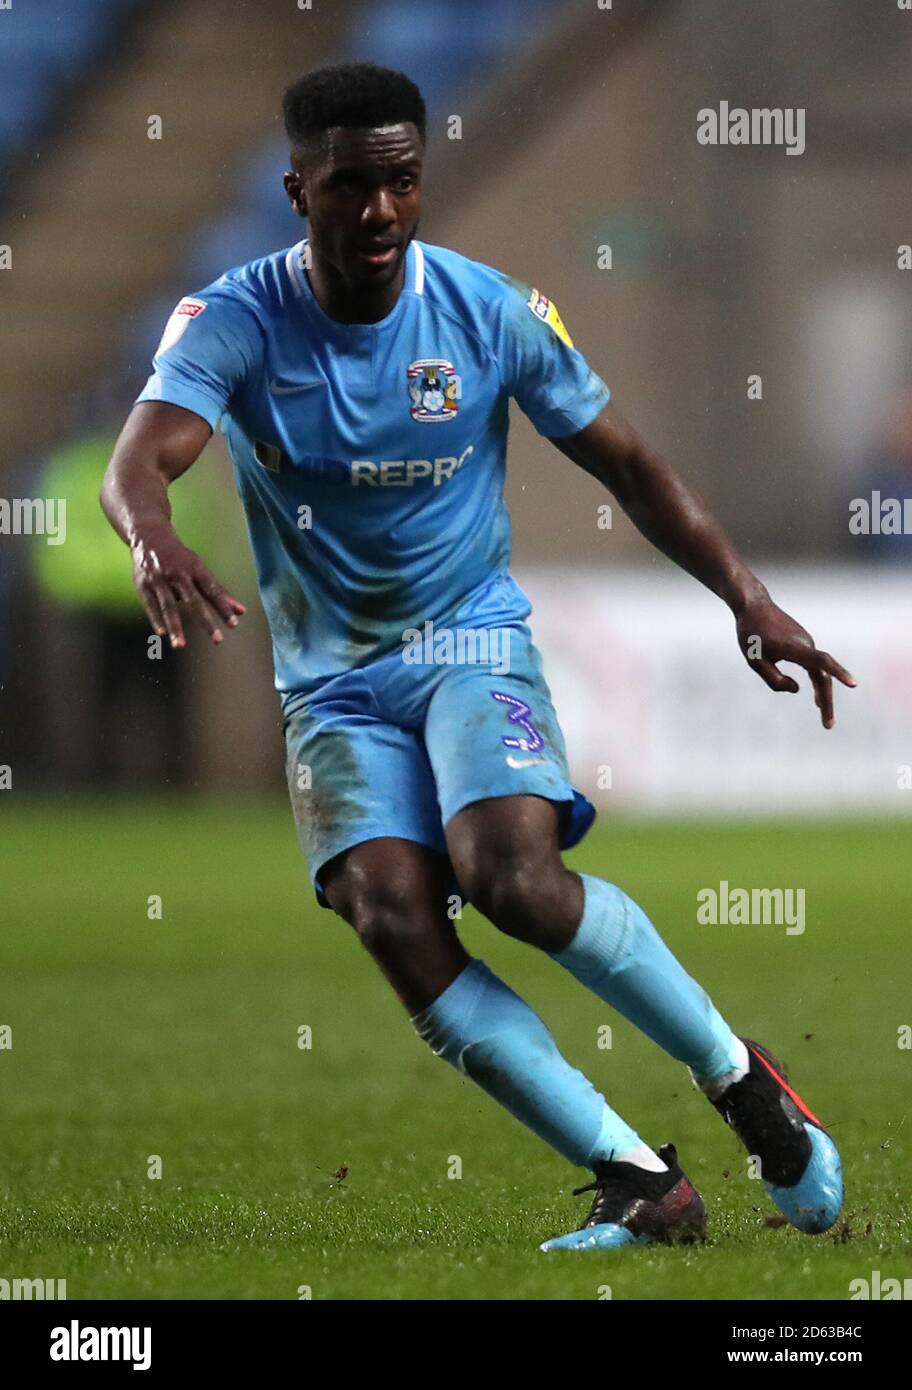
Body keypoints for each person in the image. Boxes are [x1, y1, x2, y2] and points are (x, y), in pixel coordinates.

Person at [101, 63, 855, 1251]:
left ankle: (745, 1084)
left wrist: (748, 599)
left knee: (512, 877)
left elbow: (629, 466)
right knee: (390, 908)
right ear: (300, 190)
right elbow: (140, 459)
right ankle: (637, 1180)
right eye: (352, 186)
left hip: (471, 646)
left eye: (402, 183)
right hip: (333, 685)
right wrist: (151, 535)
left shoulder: (491, 310)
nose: (382, 212)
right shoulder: (233, 320)